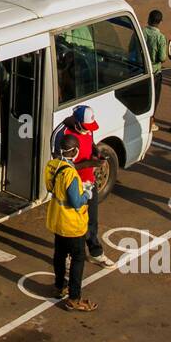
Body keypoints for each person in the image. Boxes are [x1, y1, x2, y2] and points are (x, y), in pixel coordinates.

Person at [52, 105, 116, 268]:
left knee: (91, 220)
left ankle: (95, 252)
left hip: (88, 183)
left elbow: (91, 142)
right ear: (77, 122)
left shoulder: (86, 128)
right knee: (68, 224)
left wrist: (97, 152)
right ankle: (66, 255)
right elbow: (60, 166)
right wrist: (90, 163)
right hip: (70, 186)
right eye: (85, 128)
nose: (88, 130)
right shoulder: (61, 134)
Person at [44, 133, 96, 312]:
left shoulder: (51, 166)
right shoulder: (71, 174)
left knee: (59, 254)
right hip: (72, 224)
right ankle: (74, 298)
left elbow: (50, 188)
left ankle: (59, 286)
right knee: (78, 259)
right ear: (74, 151)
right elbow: (76, 201)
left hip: (57, 220)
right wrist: (86, 193)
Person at [142, 9, 168, 131]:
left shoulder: (142, 32)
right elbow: (162, 57)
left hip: (141, 69)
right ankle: (151, 121)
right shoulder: (160, 38)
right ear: (160, 22)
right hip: (155, 72)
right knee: (154, 99)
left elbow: (132, 47)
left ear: (148, 19)